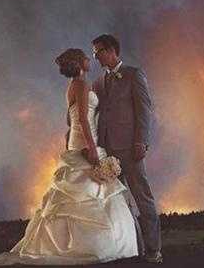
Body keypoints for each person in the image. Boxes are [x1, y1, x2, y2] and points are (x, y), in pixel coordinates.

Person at [0, 48, 138, 266]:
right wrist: (92, 148)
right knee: (90, 192)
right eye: (86, 57)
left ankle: (72, 243)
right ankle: (91, 246)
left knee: (80, 192)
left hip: (77, 140)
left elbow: (70, 119)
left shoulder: (72, 86)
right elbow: (84, 120)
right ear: (79, 62)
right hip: (86, 140)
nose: (89, 59)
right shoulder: (82, 85)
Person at [91, 34, 162, 264]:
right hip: (107, 150)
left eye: (98, 51)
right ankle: (133, 248)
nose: (95, 56)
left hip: (130, 149)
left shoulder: (133, 74)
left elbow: (145, 110)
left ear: (111, 50)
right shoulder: (99, 82)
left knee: (142, 197)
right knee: (119, 203)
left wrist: (142, 141)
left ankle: (154, 250)